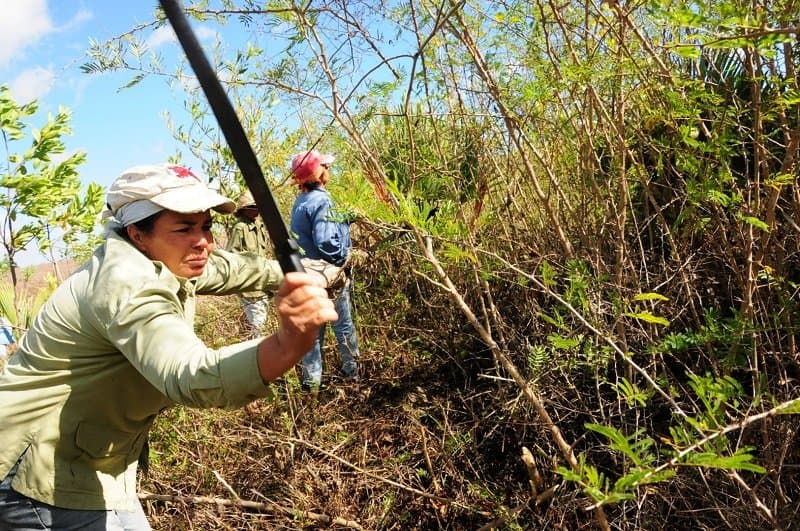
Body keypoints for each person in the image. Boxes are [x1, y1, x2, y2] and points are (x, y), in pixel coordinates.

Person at [0, 163, 336, 530]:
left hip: (91, 466)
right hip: (34, 470)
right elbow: (191, 375)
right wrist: (289, 343)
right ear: (137, 233)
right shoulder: (125, 283)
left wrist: (308, 271)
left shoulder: (167, 257)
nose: (204, 241)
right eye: (184, 228)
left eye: (206, 226)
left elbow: (231, 269)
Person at [290, 149, 360, 391]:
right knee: (343, 327)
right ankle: (353, 378)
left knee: (313, 333)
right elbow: (326, 242)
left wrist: (347, 218)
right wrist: (346, 257)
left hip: (308, 277)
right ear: (317, 172)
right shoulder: (322, 200)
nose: (328, 170)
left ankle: (311, 387)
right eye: (325, 166)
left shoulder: (302, 201)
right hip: (329, 277)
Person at [226, 191, 272, 338]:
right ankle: (257, 356)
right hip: (249, 286)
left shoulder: (258, 226)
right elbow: (231, 256)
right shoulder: (240, 228)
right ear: (244, 209)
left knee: (260, 322)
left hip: (262, 283)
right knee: (258, 325)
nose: (257, 209)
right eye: (253, 206)